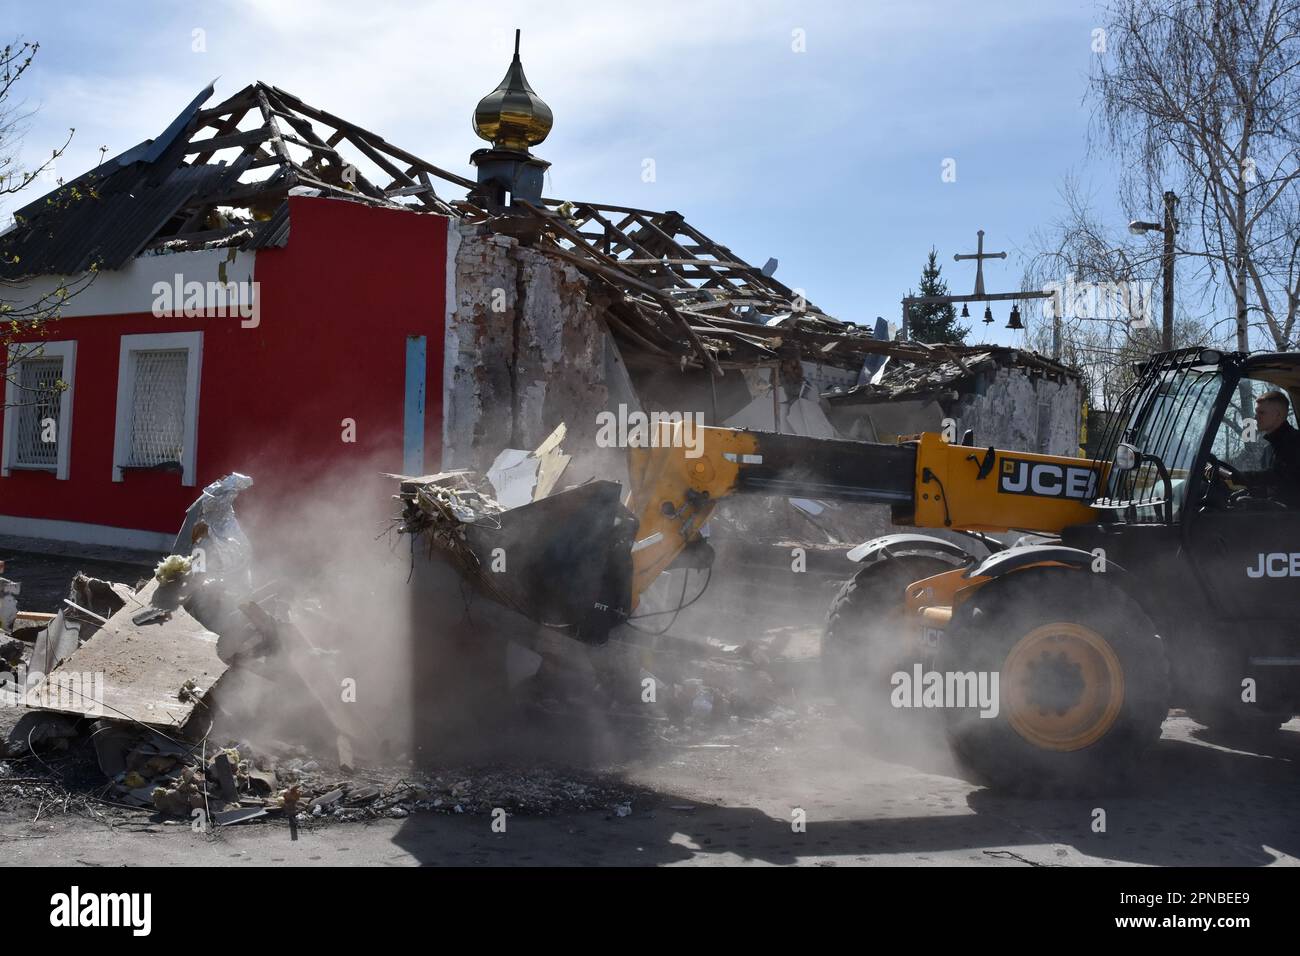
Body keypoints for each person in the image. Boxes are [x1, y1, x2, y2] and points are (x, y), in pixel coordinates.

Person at [1250, 390, 1300, 506]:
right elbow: (1268, 488)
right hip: (1275, 516)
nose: (1255, 417)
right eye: (1256, 412)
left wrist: (1240, 477)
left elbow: (1278, 477)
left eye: (1261, 413)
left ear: (1278, 415)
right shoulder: (1268, 450)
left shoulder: (1296, 442)